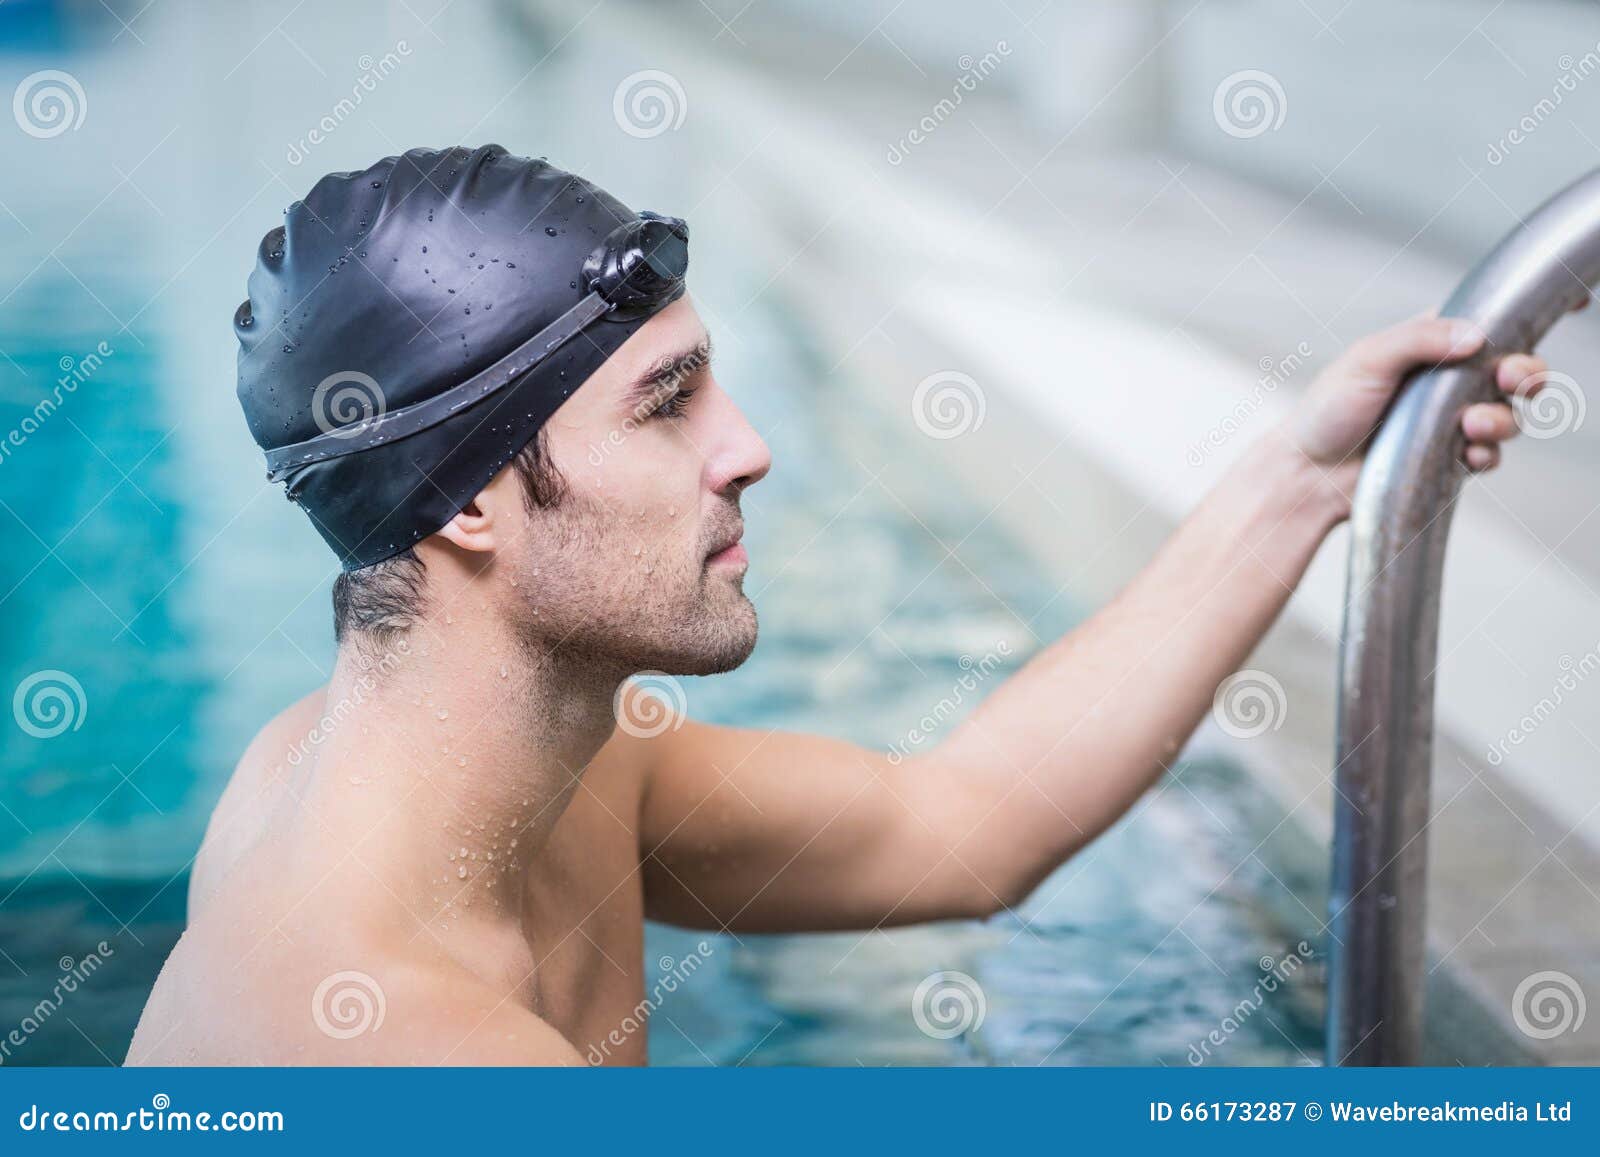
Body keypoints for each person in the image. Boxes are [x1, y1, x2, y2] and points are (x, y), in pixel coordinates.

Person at [128, 145, 1548, 1065]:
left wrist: (1304, 479)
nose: (749, 447)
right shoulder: (378, 1046)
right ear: (466, 503)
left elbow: (963, 825)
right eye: (669, 406)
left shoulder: (550, 779)